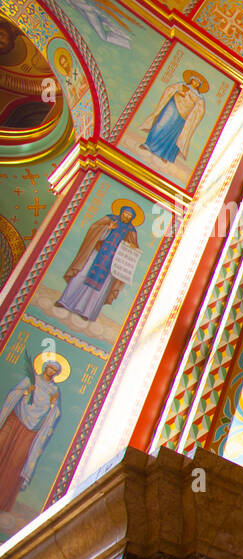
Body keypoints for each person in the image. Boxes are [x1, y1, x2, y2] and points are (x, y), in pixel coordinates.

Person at [55, 200, 141, 322]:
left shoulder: (131, 231)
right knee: (82, 275)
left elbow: (133, 249)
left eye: (129, 215)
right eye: (125, 213)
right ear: (121, 212)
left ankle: (86, 312)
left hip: (112, 263)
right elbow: (94, 229)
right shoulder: (110, 219)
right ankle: (64, 301)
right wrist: (107, 229)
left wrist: (129, 247)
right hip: (96, 254)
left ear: (132, 218)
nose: (126, 216)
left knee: (100, 286)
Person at [0, 355, 63, 511]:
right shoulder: (32, 379)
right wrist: (27, 391)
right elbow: (14, 394)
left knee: (16, 462)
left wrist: (54, 404)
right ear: (45, 366)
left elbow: (54, 413)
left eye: (55, 370)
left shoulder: (54, 390)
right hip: (15, 420)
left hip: (30, 431)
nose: (51, 371)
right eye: (50, 367)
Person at [138, 70, 208, 164]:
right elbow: (169, 89)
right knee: (161, 123)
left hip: (183, 116)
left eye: (197, 82)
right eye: (194, 80)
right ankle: (149, 145)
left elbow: (201, 110)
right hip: (173, 106)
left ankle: (164, 154)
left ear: (199, 85)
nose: (195, 83)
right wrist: (180, 91)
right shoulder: (182, 85)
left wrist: (192, 98)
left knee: (174, 134)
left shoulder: (199, 96)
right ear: (191, 80)